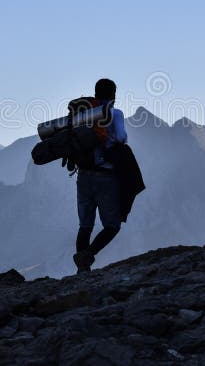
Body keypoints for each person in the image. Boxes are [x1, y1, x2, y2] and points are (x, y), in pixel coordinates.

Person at [73, 78, 127, 274]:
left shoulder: (84, 115)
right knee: (112, 226)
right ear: (114, 95)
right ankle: (87, 257)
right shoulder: (115, 114)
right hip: (105, 177)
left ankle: (82, 270)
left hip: (83, 176)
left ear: (95, 93)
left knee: (85, 225)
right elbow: (120, 138)